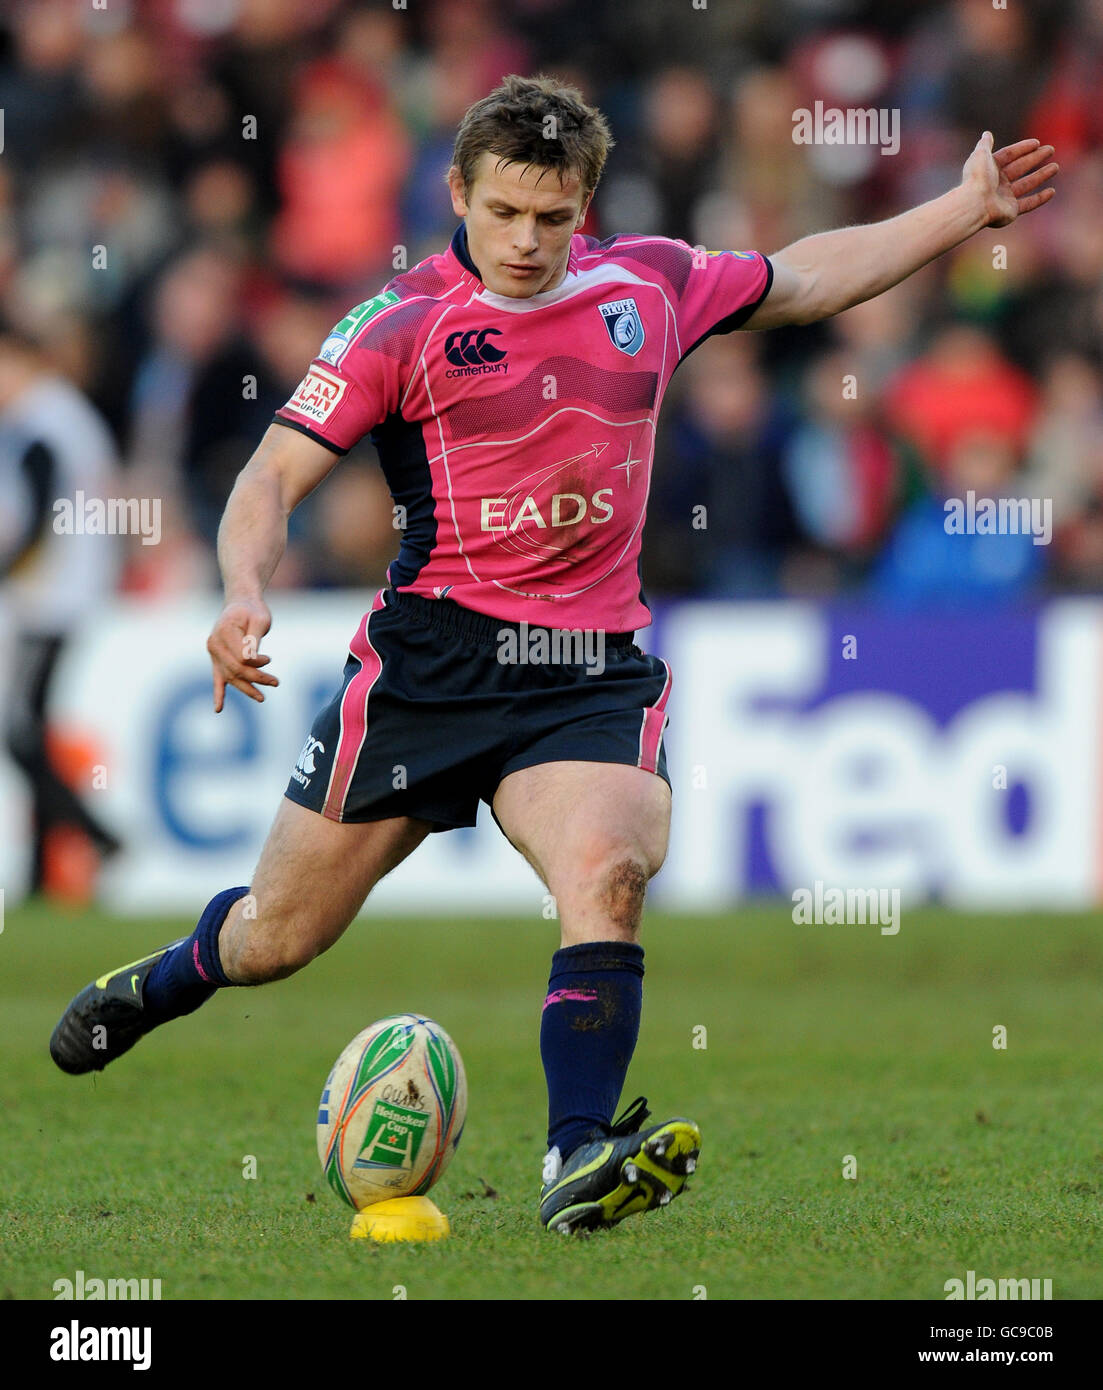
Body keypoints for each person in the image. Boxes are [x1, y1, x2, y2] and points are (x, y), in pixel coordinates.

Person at [51, 75, 1058, 1234]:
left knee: (608, 876)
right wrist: (239, 589)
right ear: (458, 196)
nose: (527, 242)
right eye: (504, 213)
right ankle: (156, 983)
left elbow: (806, 276)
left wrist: (956, 207)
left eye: (552, 216)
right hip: (431, 666)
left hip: (586, 667)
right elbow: (269, 475)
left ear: (586, 204)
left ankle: (575, 1158)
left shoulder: (650, 285)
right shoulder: (396, 327)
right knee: (274, 939)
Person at [0, 318, 123, 894]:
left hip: (53, 598)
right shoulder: (67, 415)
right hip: (71, 590)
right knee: (31, 728)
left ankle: (99, 834)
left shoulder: (43, 420)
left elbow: (37, 519)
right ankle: (39, 872)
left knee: (21, 731)